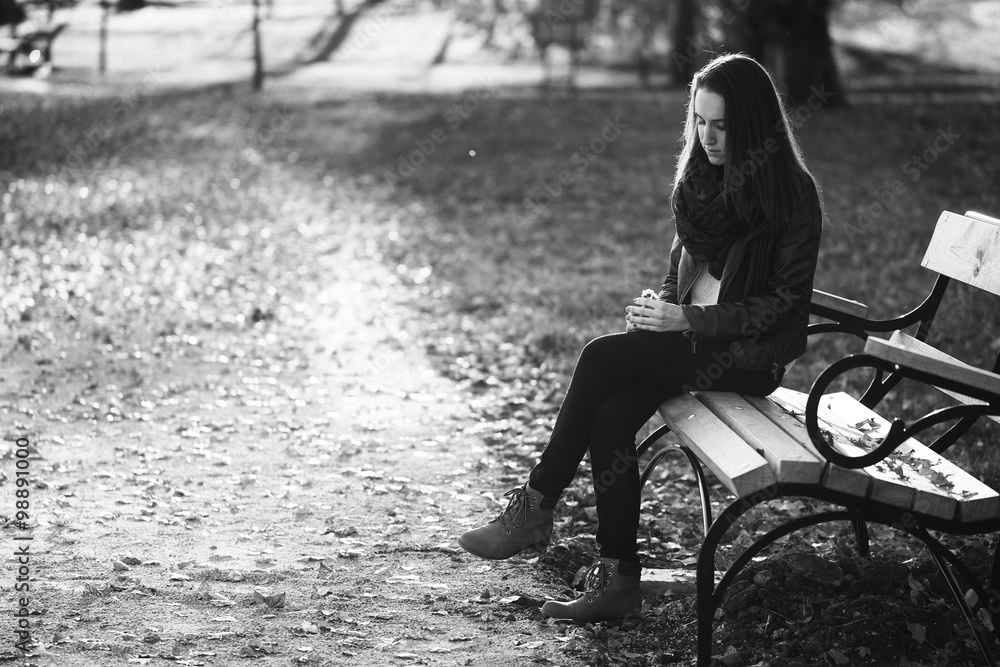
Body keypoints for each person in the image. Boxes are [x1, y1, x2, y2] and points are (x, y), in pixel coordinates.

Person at [458, 53, 825, 624]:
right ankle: (618, 580)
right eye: (700, 121)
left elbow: (784, 307)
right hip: (688, 344)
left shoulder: (793, 195)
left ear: (755, 125)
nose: (708, 136)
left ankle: (535, 504)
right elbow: (679, 271)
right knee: (609, 417)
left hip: (748, 359)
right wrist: (665, 304)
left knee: (601, 356)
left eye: (723, 124)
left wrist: (689, 323)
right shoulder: (700, 182)